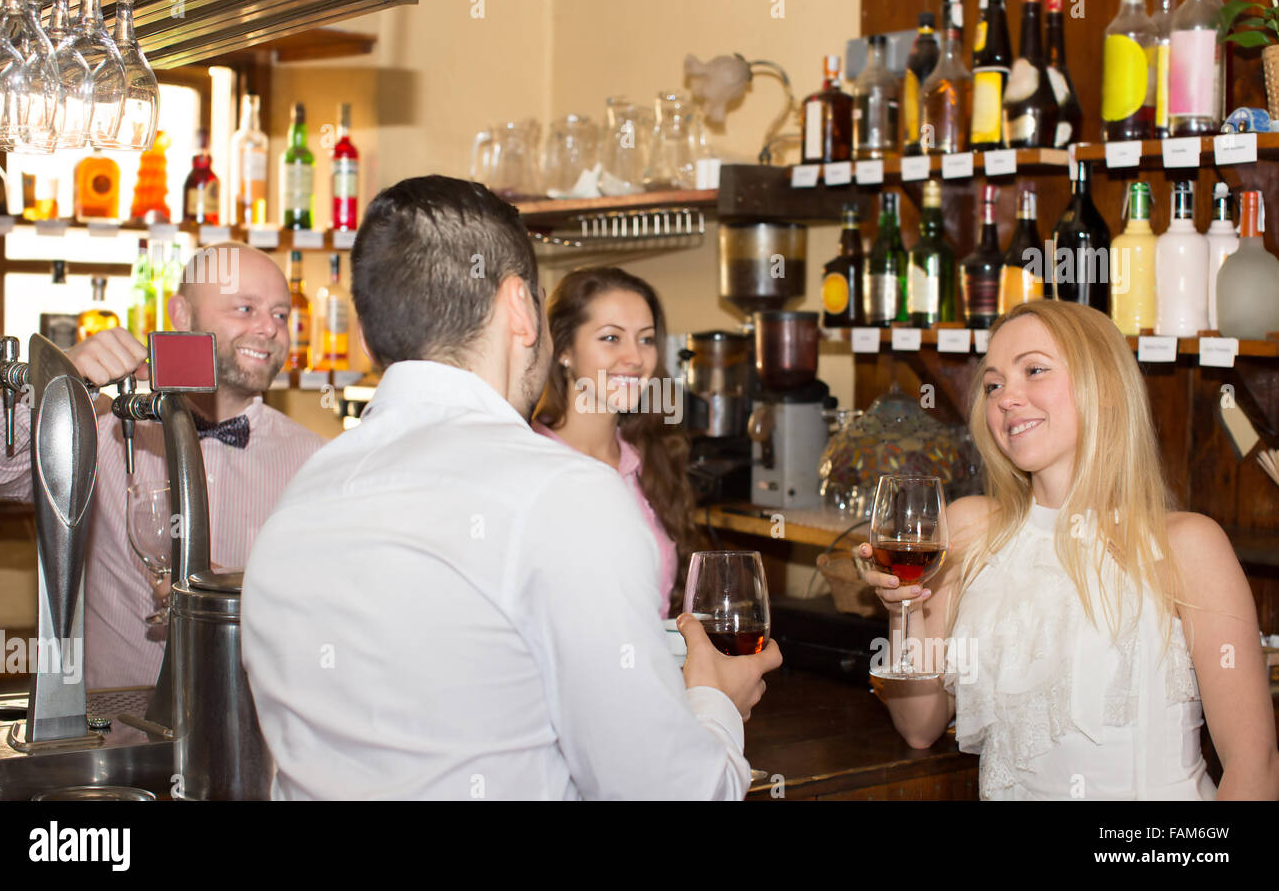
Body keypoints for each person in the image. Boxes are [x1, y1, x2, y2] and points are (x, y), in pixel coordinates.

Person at [241, 175, 782, 800]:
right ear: (521, 309)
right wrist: (716, 703)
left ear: (366, 335)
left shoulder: (302, 491)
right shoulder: (562, 494)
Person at [858, 299, 1279, 801]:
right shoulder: (968, 530)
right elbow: (919, 725)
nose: (1006, 398)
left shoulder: (1186, 544)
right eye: (993, 385)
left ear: (1103, 388)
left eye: (1033, 370)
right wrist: (902, 608)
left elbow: (1255, 765)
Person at [0, 242, 324, 689]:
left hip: (251, 725)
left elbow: (336, 612)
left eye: (281, 315)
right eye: (245, 308)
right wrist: (59, 384)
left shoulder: (317, 460)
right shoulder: (104, 424)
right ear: (180, 314)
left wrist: (243, 601)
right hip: (111, 732)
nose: (268, 328)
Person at [532, 267, 699, 617]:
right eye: (611, 338)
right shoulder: (530, 465)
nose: (635, 358)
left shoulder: (650, 456)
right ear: (563, 349)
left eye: (646, 339)